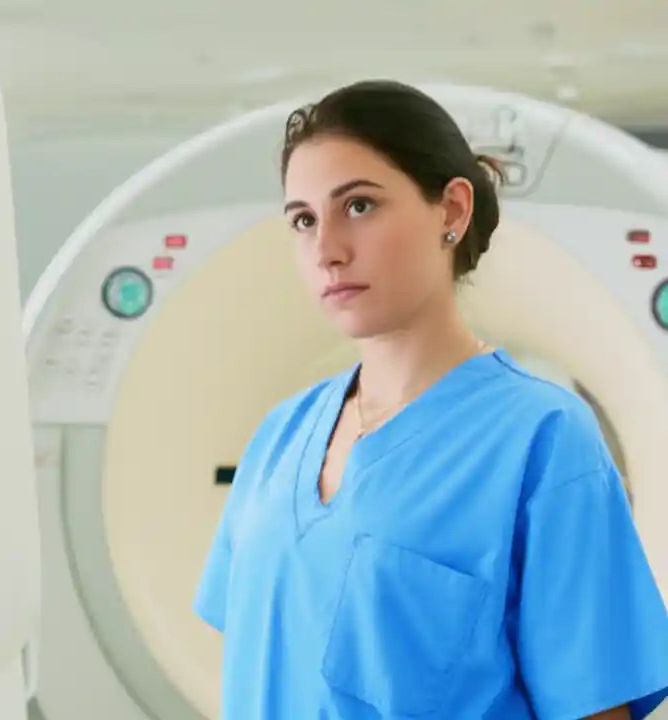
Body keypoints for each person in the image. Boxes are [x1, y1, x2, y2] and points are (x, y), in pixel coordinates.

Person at [194, 79, 668, 720]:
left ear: (451, 210)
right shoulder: (280, 435)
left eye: (358, 206)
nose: (327, 251)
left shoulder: (542, 436)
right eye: (303, 220)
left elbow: (594, 710)